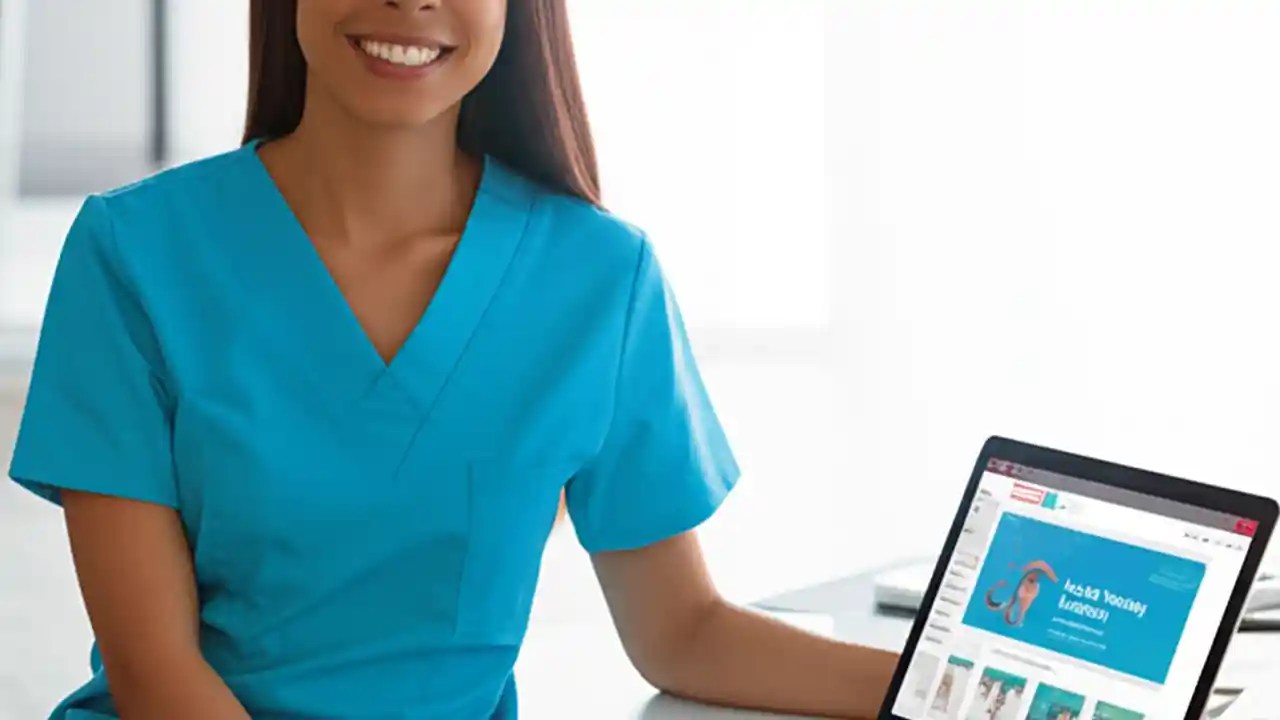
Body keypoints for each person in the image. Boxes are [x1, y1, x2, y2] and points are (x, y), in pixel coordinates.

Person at [6, 1, 899, 718]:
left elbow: (682, 632)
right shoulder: (136, 253)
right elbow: (155, 675)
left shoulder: (600, 279)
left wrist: (958, 698)